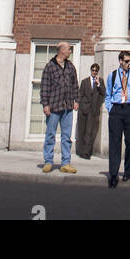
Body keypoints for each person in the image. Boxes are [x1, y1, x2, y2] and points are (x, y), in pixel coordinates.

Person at [104, 51, 130, 186]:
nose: (129, 64)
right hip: (116, 110)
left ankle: (127, 171)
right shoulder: (113, 75)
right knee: (115, 143)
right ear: (120, 61)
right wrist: (110, 108)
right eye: (126, 61)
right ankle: (114, 175)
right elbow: (108, 94)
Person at [39, 42, 79, 173]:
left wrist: (76, 100)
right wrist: (45, 104)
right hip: (54, 107)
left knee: (66, 137)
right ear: (61, 50)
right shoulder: (49, 67)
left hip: (68, 107)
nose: (70, 51)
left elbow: (75, 85)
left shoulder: (70, 66)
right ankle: (48, 161)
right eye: (69, 49)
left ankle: (65, 163)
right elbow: (44, 87)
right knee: (50, 135)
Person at [76, 62, 106, 159]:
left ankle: (87, 153)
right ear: (90, 70)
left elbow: (104, 93)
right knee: (82, 130)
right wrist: (78, 104)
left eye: (96, 71)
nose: (94, 72)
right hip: (83, 109)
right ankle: (81, 151)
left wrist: (98, 84)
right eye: (93, 70)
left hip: (93, 110)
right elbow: (80, 94)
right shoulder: (84, 81)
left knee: (90, 132)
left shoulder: (100, 81)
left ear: (98, 72)